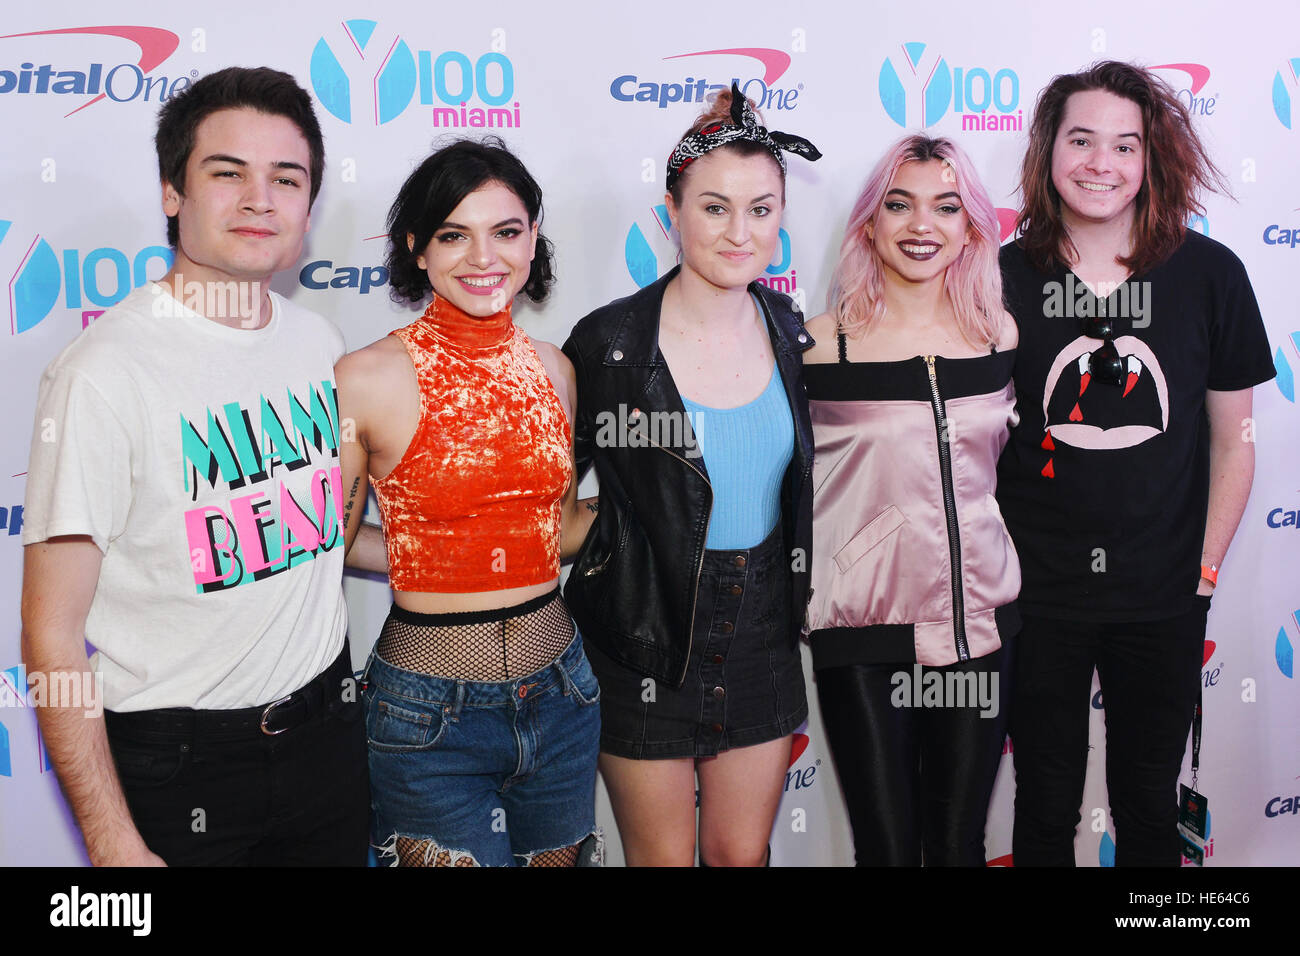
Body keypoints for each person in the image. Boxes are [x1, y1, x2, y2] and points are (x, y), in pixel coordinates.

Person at [20, 66, 387, 866]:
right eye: (228, 173)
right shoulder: (101, 374)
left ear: (307, 206)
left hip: (329, 733)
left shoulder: (318, 345)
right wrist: (113, 842)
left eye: (285, 179)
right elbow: (51, 636)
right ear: (171, 192)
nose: (260, 199)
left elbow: (321, 529)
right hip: (180, 768)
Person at [997, 60, 1275, 866]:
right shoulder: (1003, 276)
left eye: (1125, 146)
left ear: (1151, 159)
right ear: (1050, 150)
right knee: (1044, 804)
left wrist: (1206, 572)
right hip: (1035, 589)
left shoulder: (1209, 274)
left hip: (1165, 590)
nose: (1101, 163)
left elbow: (1234, 440)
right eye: (1082, 140)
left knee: (1149, 809)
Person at [563, 84, 821, 867]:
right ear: (671, 213)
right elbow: (550, 499)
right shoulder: (608, 344)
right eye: (714, 208)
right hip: (642, 632)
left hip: (762, 630)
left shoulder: (794, 333)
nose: (739, 232)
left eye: (761, 209)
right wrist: (618, 537)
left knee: (742, 858)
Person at [336, 138, 602, 867]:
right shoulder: (365, 377)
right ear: (418, 248)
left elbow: (562, 529)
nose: (483, 257)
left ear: (532, 240)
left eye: (506, 231)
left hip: (564, 698)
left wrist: (654, 502)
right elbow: (332, 538)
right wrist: (434, 553)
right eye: (454, 234)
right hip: (426, 716)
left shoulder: (556, 370)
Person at [801, 134, 1019, 865]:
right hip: (862, 632)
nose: (921, 225)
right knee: (887, 850)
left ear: (971, 228)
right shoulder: (816, 346)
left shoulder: (998, 337)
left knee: (959, 846)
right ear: (869, 222)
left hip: (981, 631)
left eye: (945, 207)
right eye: (899, 204)